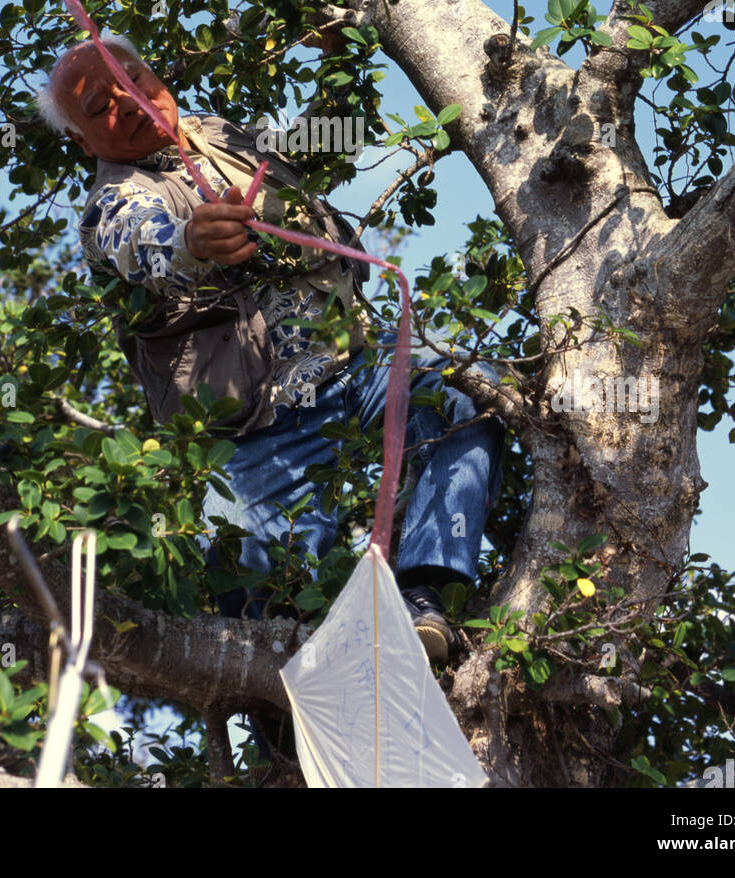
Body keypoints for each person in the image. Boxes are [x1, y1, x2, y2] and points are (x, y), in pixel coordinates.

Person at [36, 34, 506, 670]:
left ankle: (424, 592)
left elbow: (315, 145)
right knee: (259, 591)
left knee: (468, 395)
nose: (129, 98)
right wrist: (193, 240)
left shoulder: (223, 133)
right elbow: (143, 243)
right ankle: (290, 719)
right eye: (100, 108)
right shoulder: (111, 205)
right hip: (257, 430)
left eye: (134, 75)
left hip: (354, 372)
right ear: (81, 141)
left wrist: (340, 58)